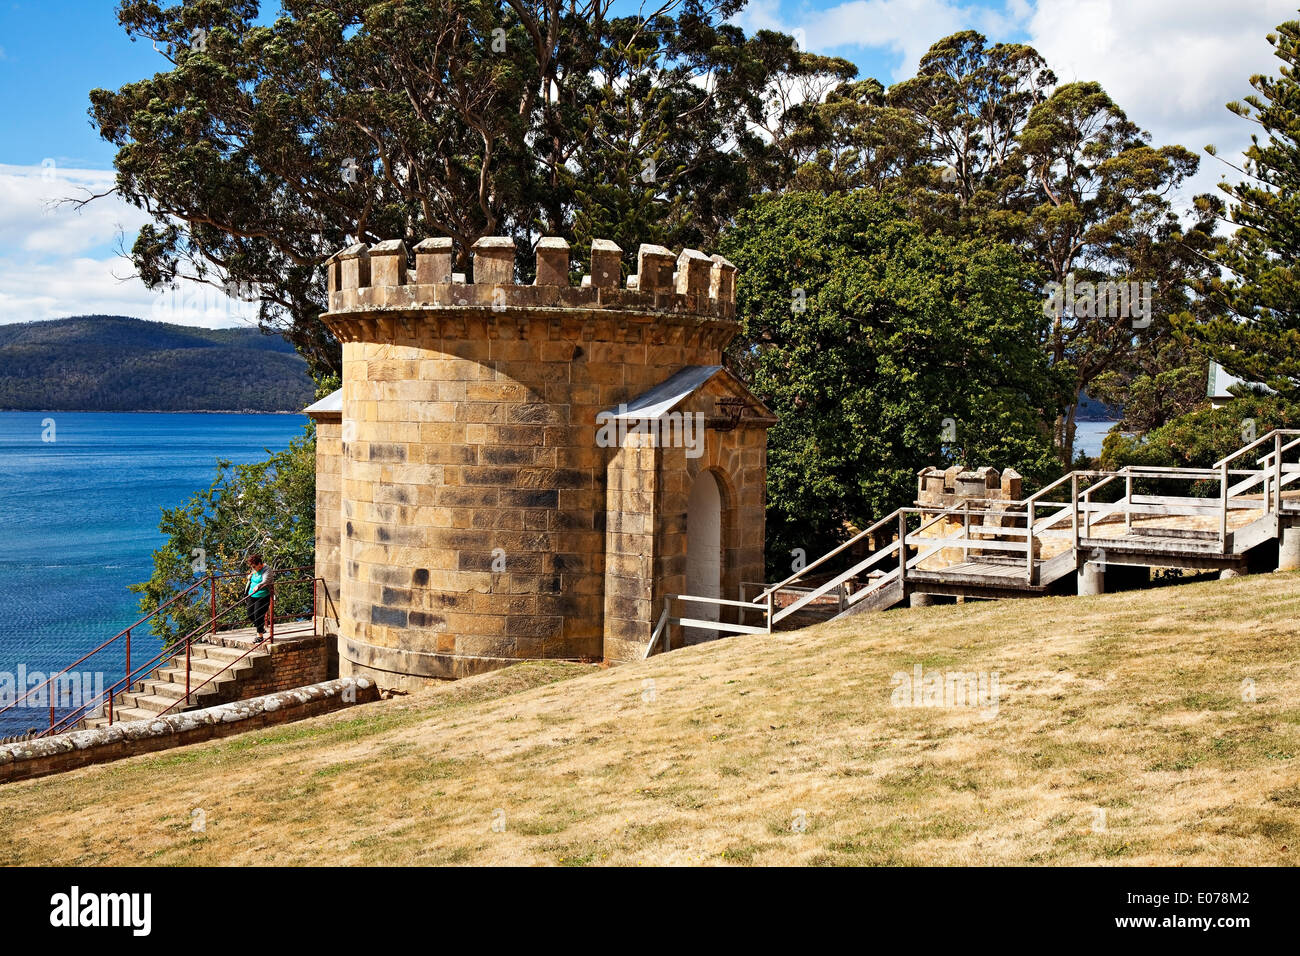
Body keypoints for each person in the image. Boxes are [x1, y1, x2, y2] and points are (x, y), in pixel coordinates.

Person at [246, 554, 275, 641]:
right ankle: (261, 628)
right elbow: (253, 575)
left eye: (254, 566)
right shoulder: (254, 569)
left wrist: (258, 586)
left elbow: (266, 580)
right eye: (252, 566)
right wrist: (249, 577)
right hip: (252, 595)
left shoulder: (267, 570)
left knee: (258, 615)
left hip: (263, 596)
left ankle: (260, 636)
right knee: (250, 614)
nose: (253, 568)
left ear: (259, 564)